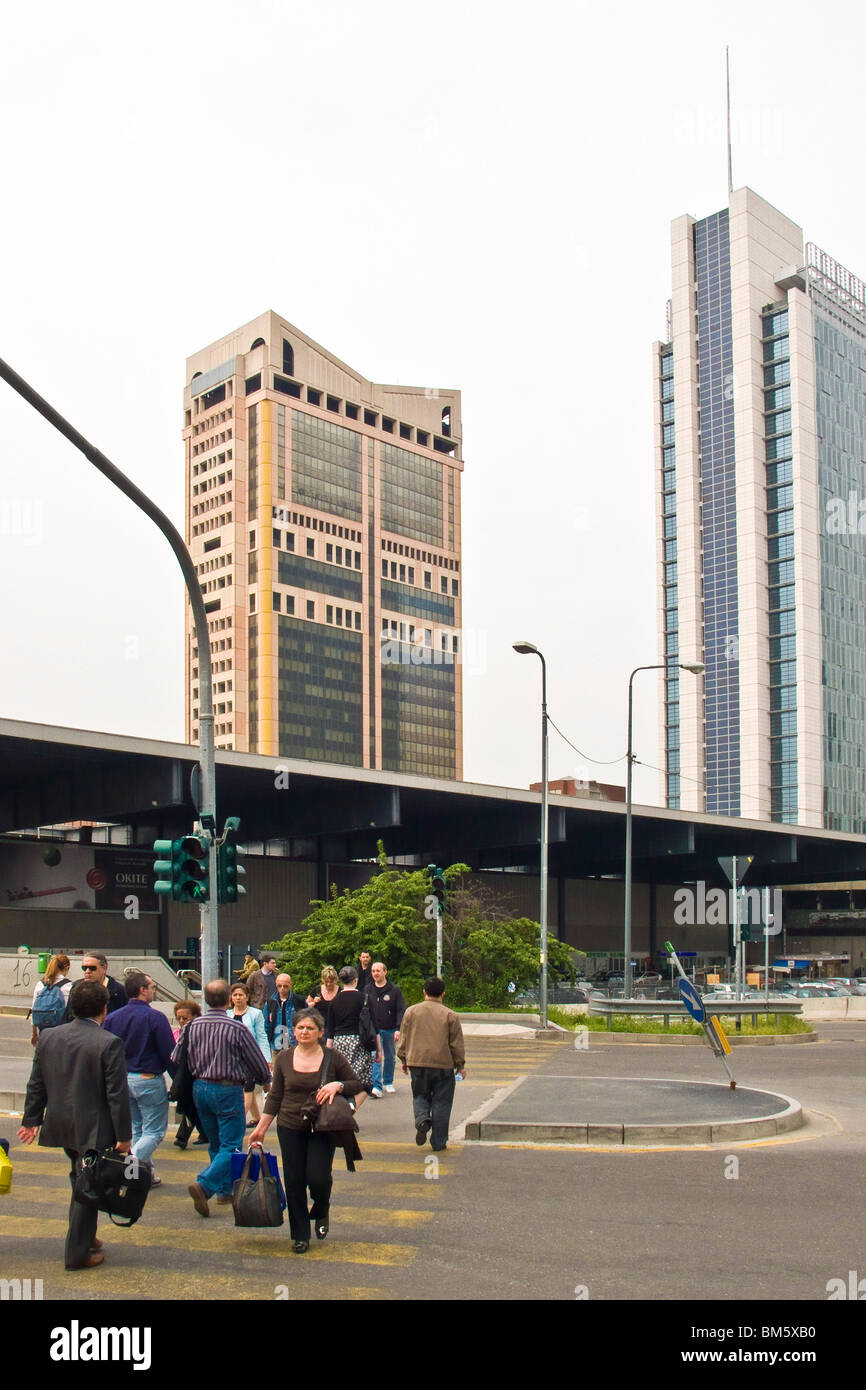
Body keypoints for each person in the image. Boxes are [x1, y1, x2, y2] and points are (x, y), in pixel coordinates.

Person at [17, 979, 132, 1270]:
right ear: (104, 1010)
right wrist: (124, 1137)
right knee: (87, 1186)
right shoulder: (109, 1043)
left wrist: (32, 1120)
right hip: (94, 1129)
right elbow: (116, 1094)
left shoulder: (49, 1038)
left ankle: (86, 1235)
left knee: (79, 1176)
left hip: (62, 1124)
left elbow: (36, 1084)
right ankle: (77, 1252)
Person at [248, 1008, 364, 1252]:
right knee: (294, 1180)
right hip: (290, 1125)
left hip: (322, 1126)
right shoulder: (284, 1059)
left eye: (310, 1028)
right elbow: (275, 1096)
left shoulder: (333, 1057)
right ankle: (300, 1235)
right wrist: (261, 1128)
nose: (304, 1032)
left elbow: (358, 1083)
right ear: (294, 1031)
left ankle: (322, 1207)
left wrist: (338, 1085)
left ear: (320, 1032)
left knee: (319, 1178)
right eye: (300, 1028)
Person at [176, 978, 271, 1217]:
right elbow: (258, 1063)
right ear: (228, 999)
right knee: (231, 1144)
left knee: (217, 1143)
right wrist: (265, 1080)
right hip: (227, 1089)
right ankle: (205, 1184)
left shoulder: (191, 1026)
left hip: (200, 1088)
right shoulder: (235, 1027)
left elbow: (177, 1056)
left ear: (205, 1000)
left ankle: (224, 1191)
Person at [103, 971, 176, 1186]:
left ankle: (144, 1174)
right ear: (142, 990)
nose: (154, 990)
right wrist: (177, 1080)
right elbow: (168, 1053)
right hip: (148, 1078)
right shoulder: (155, 1017)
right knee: (154, 1131)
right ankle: (130, 1167)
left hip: (122, 1079)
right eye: (152, 987)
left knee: (136, 1128)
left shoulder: (113, 1018)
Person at [397, 977, 465, 1152]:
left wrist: (404, 1059)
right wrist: (460, 1065)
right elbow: (455, 1043)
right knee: (442, 1102)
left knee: (420, 1095)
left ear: (424, 992)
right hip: (443, 1065)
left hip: (417, 1063)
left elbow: (404, 1038)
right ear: (443, 993)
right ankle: (439, 1141)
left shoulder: (411, 1012)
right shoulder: (450, 1015)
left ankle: (422, 1120)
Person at [328, 966, 377, 1103]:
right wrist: (378, 1050)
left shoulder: (335, 1001)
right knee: (363, 1079)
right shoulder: (365, 999)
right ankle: (352, 1104)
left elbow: (330, 1030)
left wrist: (328, 1051)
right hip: (359, 1040)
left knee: (342, 1076)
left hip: (339, 1041)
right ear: (356, 980)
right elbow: (374, 1026)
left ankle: (344, 1102)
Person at [226, 981, 271, 1126]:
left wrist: (266, 1058)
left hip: (249, 1057)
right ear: (231, 998)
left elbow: (261, 1036)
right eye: (235, 995)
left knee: (247, 1087)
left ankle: (239, 1120)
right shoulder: (227, 1014)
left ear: (247, 997)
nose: (238, 998)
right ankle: (257, 1116)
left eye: (241, 995)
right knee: (242, 1087)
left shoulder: (255, 1014)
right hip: (231, 1059)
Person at [366, 961, 406, 1096]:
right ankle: (376, 1085)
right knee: (375, 1056)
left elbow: (401, 1010)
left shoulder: (394, 990)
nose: (375, 973)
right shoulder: (367, 990)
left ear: (385, 972)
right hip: (373, 1030)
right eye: (373, 971)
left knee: (390, 1057)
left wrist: (398, 1028)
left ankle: (388, 1081)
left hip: (389, 1029)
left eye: (378, 970)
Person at [171, 1000, 206, 1148]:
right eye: (179, 1018)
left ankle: (185, 1136)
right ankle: (188, 1136)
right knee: (189, 1105)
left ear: (195, 1016)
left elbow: (175, 1056)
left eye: (185, 1018)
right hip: (187, 1073)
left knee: (190, 1105)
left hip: (197, 1073)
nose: (181, 1021)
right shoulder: (178, 1032)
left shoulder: (197, 1030)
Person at [30, 953, 73, 1044]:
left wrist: (34, 1034)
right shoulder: (69, 986)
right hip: (62, 1033)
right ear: (67, 968)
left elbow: (33, 1010)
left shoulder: (40, 984)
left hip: (43, 1033)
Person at [265, 973, 308, 1056]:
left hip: (295, 1042)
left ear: (290, 985)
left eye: (285, 986)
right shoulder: (270, 1002)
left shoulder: (299, 1001)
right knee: (277, 1067)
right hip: (276, 1042)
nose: (282, 989)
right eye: (279, 986)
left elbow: (307, 1021)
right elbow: (265, 1025)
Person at [306, 966, 340, 1041]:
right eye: (326, 982)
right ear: (322, 980)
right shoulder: (316, 990)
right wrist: (314, 1002)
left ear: (335, 980)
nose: (328, 984)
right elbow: (306, 1006)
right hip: (319, 1027)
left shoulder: (340, 991)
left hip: (336, 1028)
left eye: (331, 982)